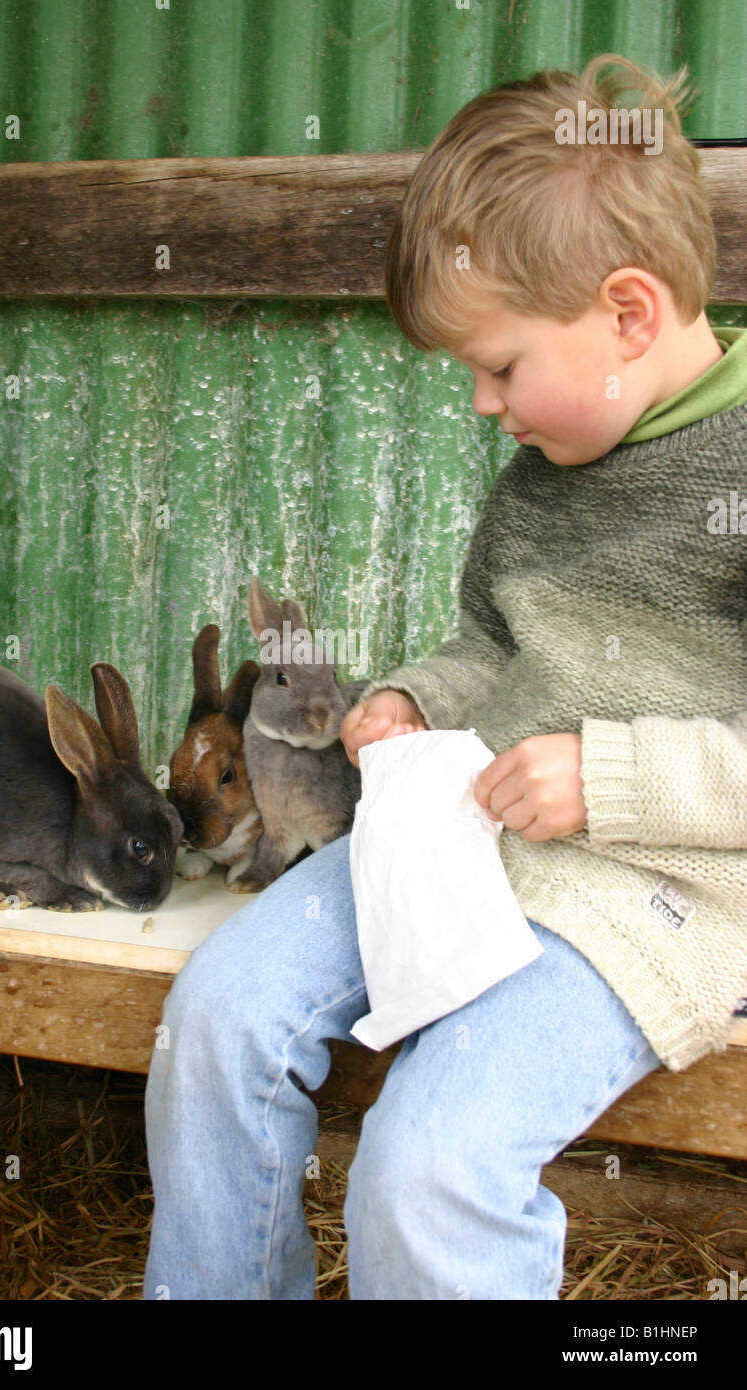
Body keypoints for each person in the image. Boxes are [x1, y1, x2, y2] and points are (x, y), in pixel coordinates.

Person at [143, 53, 747, 1300]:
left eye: (500, 366)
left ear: (628, 314)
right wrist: (418, 697)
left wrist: (610, 777)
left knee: (426, 1165)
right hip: (470, 840)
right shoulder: (541, 478)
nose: (479, 404)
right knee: (218, 1015)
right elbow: (487, 640)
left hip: (661, 885)